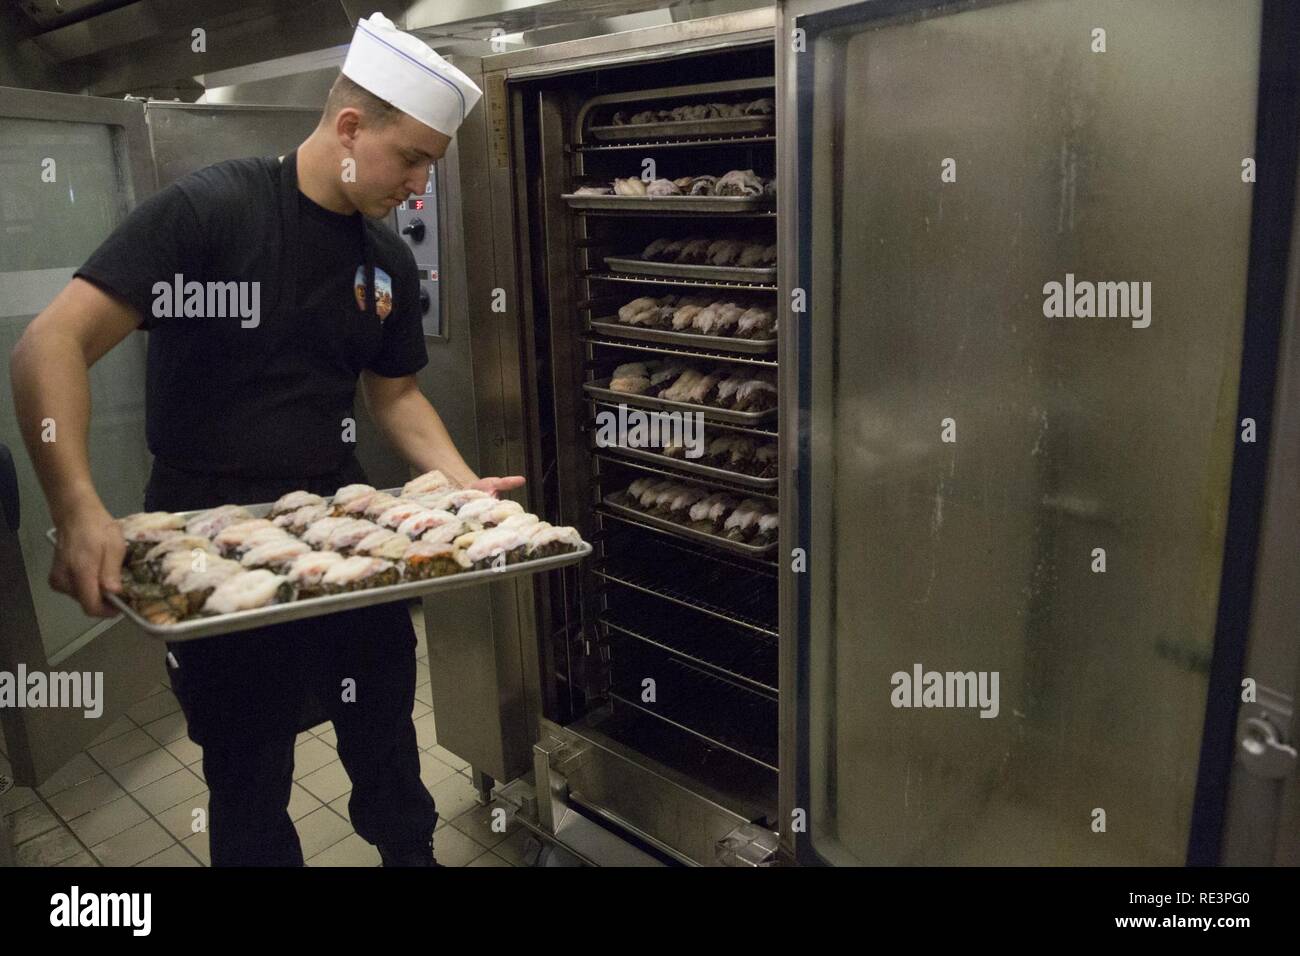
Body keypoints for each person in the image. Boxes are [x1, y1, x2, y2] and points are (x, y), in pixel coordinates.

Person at [8, 12, 518, 867]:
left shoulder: (386, 261)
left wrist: (462, 483)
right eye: (414, 156)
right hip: (207, 532)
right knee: (247, 773)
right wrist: (78, 503)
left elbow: (395, 399)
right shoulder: (210, 211)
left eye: (432, 162)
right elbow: (47, 345)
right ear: (352, 126)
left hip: (337, 533)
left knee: (387, 740)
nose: (421, 182)